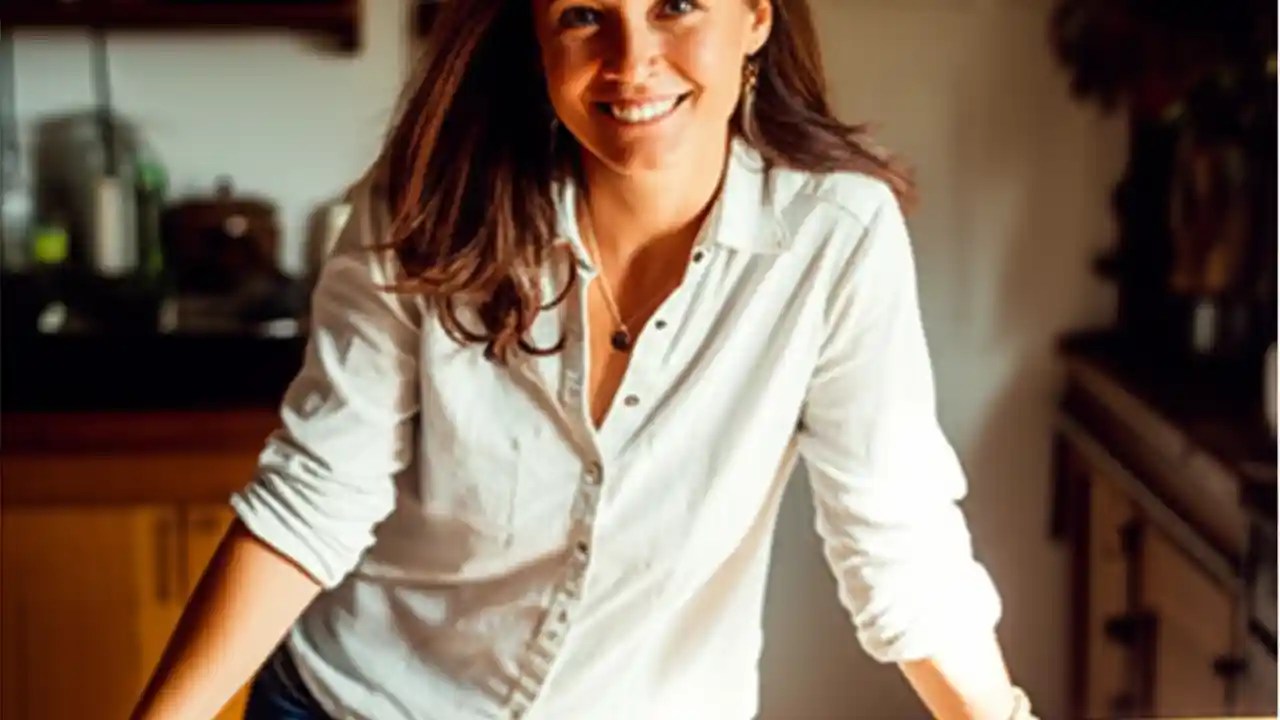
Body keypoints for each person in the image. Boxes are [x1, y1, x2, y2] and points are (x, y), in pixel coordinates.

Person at [130, 0, 1038, 718]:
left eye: (675, 4)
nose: (632, 61)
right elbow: (314, 499)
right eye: (583, 15)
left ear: (757, 17)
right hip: (363, 701)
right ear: (536, 36)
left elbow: (898, 544)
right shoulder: (425, 209)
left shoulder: (835, 235)